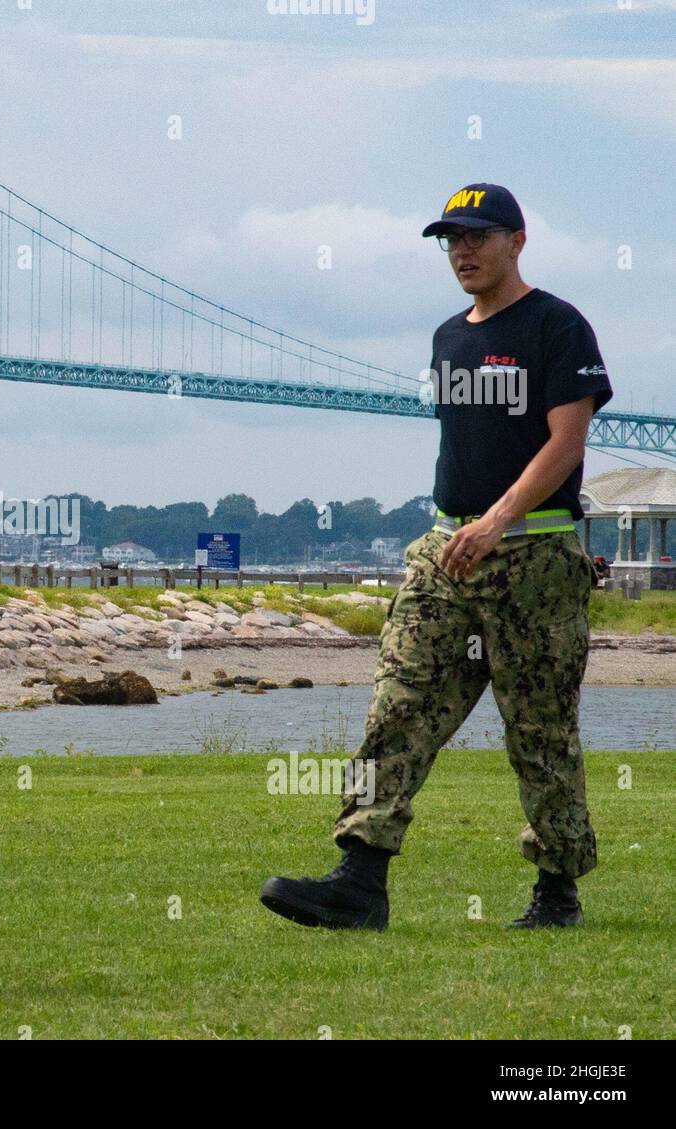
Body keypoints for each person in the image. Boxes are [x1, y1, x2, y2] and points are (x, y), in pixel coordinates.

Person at [261, 183, 612, 931]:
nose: (462, 250)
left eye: (478, 235)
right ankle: (359, 878)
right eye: (450, 238)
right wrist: (463, 526)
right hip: (447, 550)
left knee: (540, 727)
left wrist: (498, 519)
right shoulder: (447, 337)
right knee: (399, 705)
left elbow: (566, 443)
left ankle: (557, 893)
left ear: (517, 241)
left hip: (536, 552)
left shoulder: (559, 326)